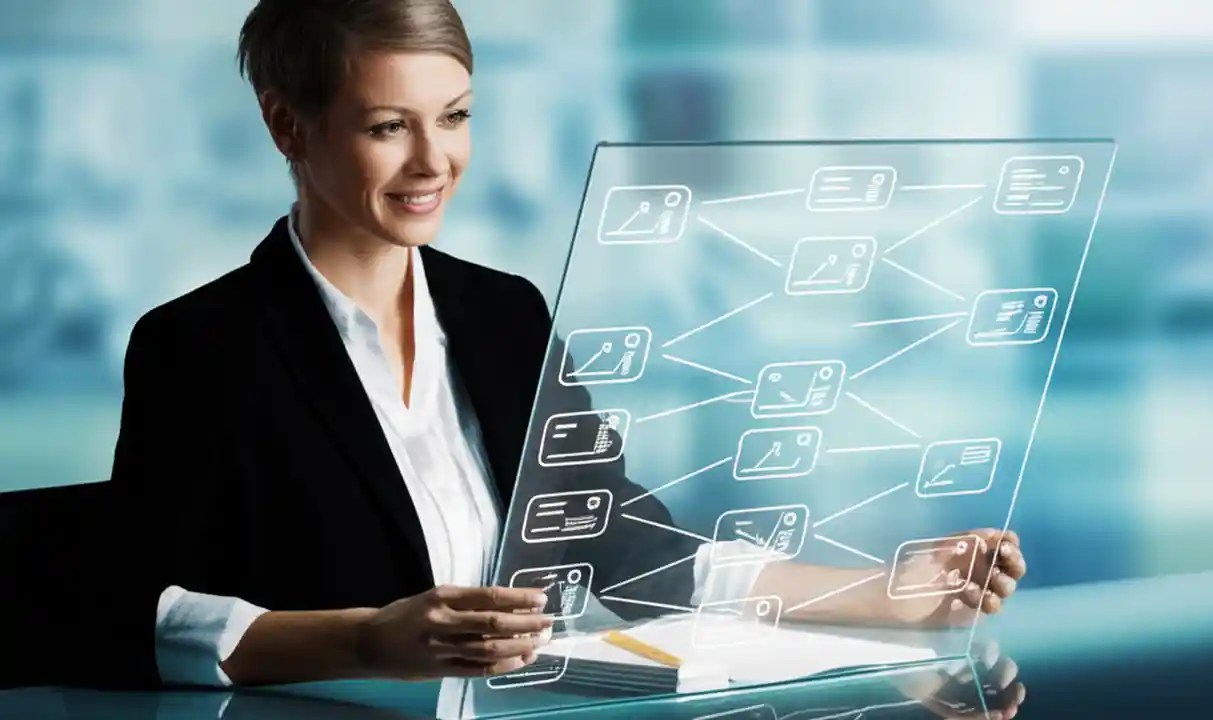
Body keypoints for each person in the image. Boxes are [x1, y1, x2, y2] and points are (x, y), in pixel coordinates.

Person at [40, 0, 1026, 692]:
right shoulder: (203, 346)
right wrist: (367, 641)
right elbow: (133, 616)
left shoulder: (503, 314)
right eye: (390, 126)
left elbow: (629, 550)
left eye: (455, 117)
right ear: (287, 125)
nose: (435, 162)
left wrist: (885, 592)